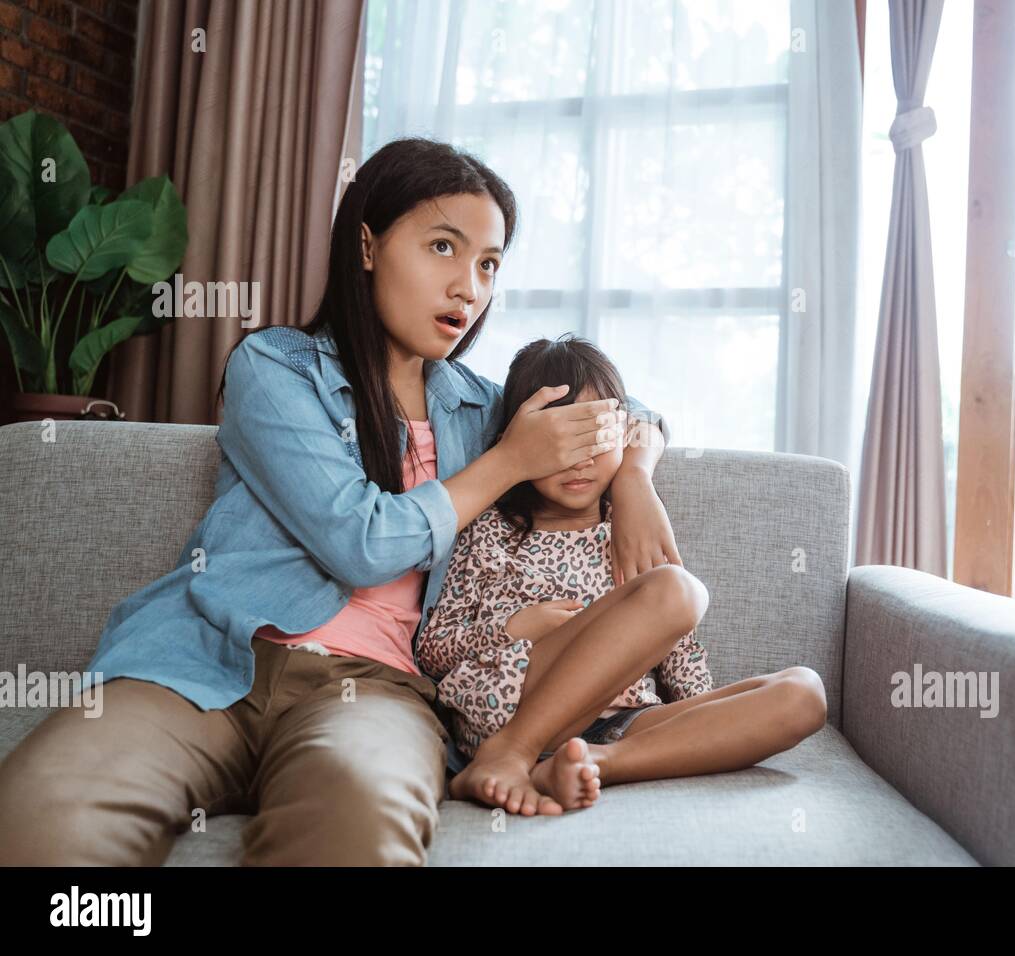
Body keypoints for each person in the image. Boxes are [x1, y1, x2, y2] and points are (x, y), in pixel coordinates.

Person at [0, 138, 676, 865]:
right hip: (205, 663)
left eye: (487, 264)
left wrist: (635, 475)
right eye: (442, 247)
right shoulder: (277, 367)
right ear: (367, 244)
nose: (468, 288)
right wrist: (512, 459)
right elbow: (358, 541)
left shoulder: (483, 408)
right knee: (44, 816)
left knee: (356, 832)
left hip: (376, 693)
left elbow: (626, 406)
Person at [419, 335, 828, 815]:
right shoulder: (491, 531)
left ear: (622, 431)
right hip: (514, 699)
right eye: (560, 441)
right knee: (678, 589)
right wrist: (513, 628)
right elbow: (432, 649)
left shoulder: (628, 530)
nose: (580, 460)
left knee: (803, 694)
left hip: (623, 720)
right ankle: (512, 751)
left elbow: (676, 644)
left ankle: (592, 764)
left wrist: (705, 712)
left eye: (595, 436)